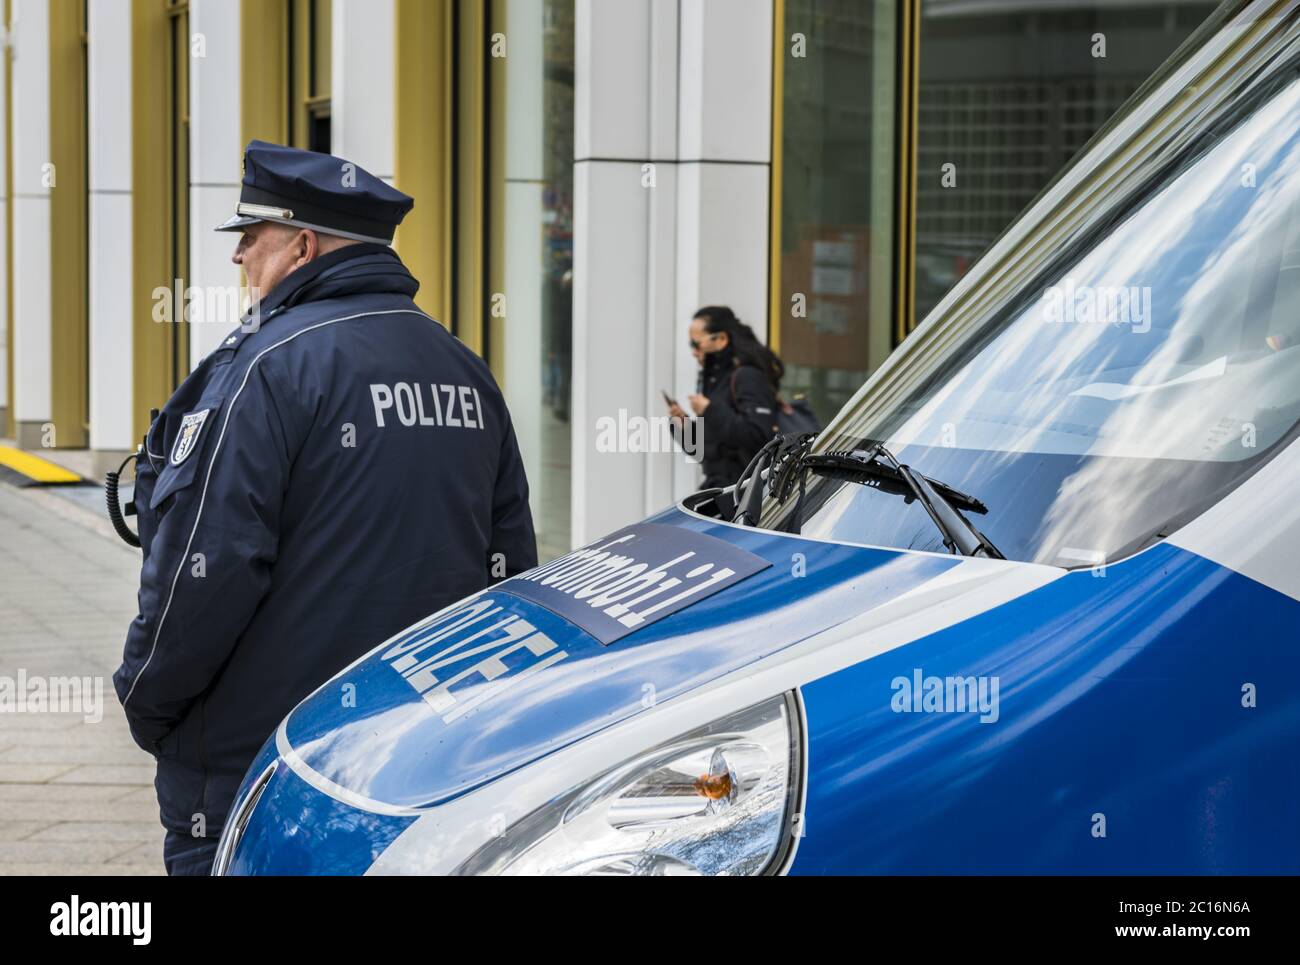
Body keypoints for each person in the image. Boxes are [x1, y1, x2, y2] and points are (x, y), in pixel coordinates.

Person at [112, 140, 537, 876]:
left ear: (302, 245)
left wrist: (146, 698)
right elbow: (508, 574)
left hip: (267, 767)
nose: (239, 255)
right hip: (418, 762)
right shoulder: (463, 368)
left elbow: (199, 574)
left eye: (252, 236)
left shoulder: (265, 367)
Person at [667, 305, 783, 489]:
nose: (694, 352)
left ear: (721, 339)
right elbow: (709, 454)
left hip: (744, 496)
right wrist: (683, 427)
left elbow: (758, 436)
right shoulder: (717, 382)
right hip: (721, 490)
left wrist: (709, 410)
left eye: (696, 344)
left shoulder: (747, 376)